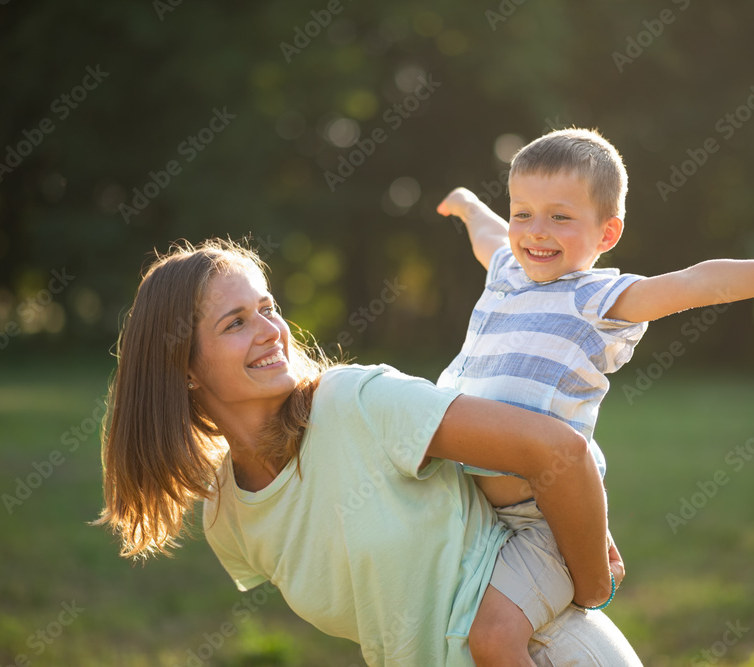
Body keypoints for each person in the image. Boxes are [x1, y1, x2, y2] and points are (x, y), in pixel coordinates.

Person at [434, 127, 754, 667]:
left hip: (541, 521)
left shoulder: (599, 297)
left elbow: (701, 281)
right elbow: (489, 233)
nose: (536, 231)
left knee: (491, 639)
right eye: (523, 213)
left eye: (560, 217)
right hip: (464, 500)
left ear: (607, 233)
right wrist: (467, 206)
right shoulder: (507, 273)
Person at [93, 238, 644, 666]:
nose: (271, 331)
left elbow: (559, 451)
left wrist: (593, 584)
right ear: (186, 370)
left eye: (267, 308)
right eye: (236, 322)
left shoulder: (354, 401)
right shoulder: (228, 515)